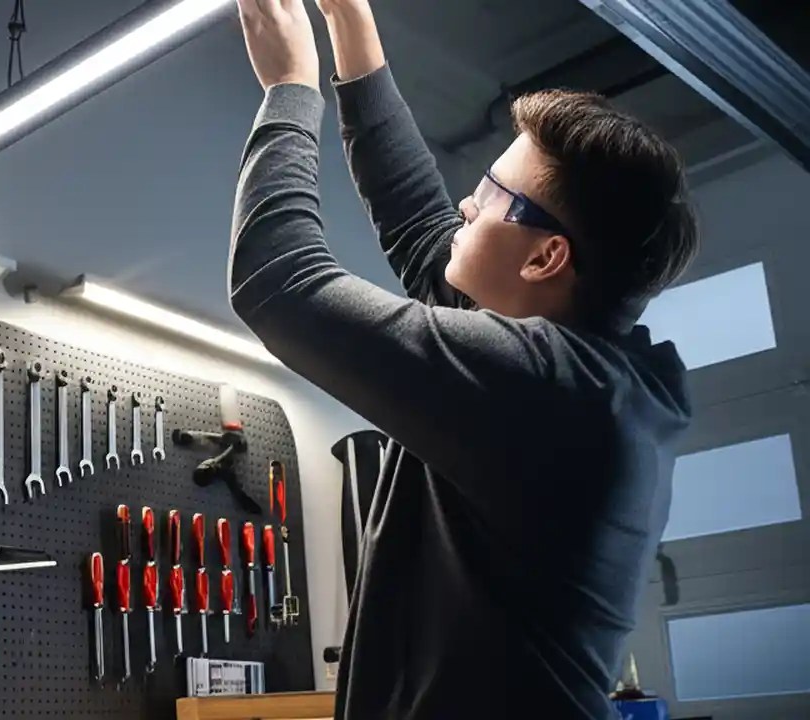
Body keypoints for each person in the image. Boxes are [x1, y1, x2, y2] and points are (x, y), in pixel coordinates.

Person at [228, 0, 700, 718]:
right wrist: (350, 22)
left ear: (546, 256)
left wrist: (290, 88)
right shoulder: (582, 371)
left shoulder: (551, 393)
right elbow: (422, 227)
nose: (467, 207)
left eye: (491, 195)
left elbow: (279, 284)